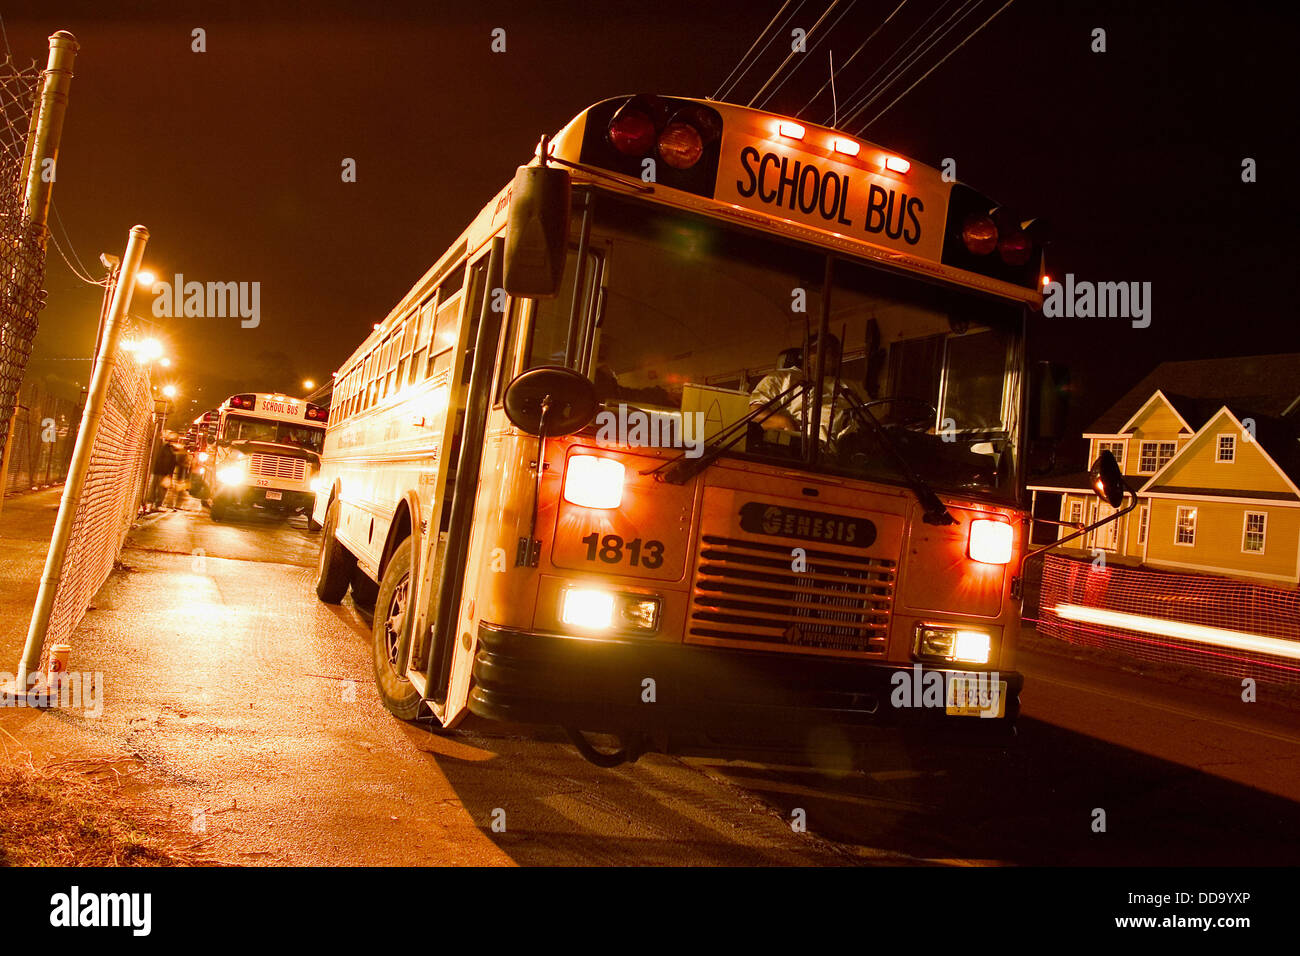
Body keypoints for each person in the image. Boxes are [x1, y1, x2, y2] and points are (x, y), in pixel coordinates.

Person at [748, 333, 862, 445]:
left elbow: (876, 416)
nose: (829, 355)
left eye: (833, 352)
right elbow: (756, 414)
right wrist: (787, 424)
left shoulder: (850, 386)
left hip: (843, 454)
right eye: (822, 350)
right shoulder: (783, 378)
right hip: (801, 451)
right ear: (805, 355)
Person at [148, 437, 176, 511]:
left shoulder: (164, 448)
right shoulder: (170, 450)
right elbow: (169, 462)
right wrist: (169, 473)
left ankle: (151, 504)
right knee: (161, 489)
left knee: (155, 487)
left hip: (158, 471)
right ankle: (157, 505)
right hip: (163, 472)